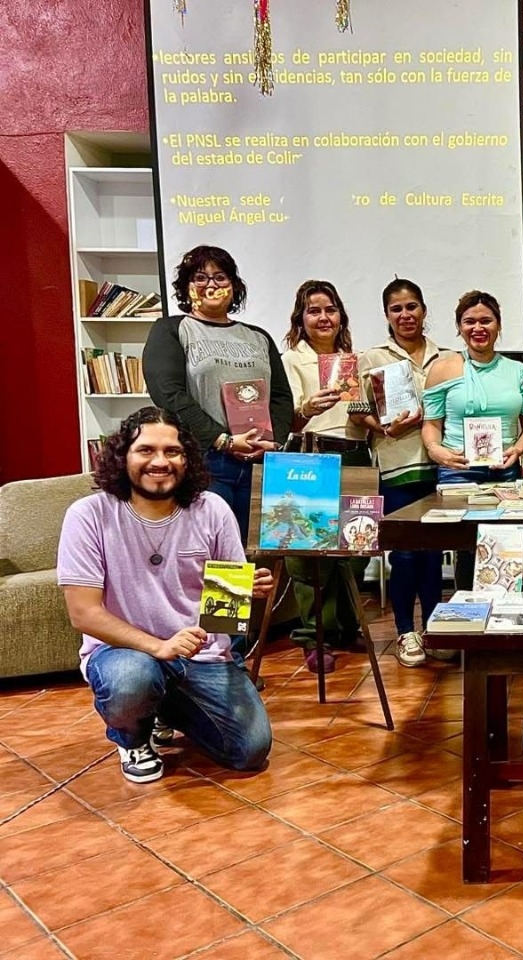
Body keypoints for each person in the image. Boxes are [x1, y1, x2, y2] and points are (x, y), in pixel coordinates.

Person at [57, 407, 274, 784]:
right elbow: (84, 614)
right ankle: (133, 736)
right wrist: (158, 647)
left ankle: (161, 707)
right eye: (146, 450)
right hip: (125, 654)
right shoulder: (88, 515)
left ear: (187, 458)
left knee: (251, 751)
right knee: (131, 678)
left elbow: (225, 615)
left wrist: (246, 594)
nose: (160, 462)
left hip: (201, 654)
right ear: (123, 455)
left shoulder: (213, 509)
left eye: (172, 451)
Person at [142, 245, 293, 542]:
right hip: (207, 462)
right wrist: (222, 439)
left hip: (260, 463)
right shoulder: (172, 329)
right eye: (200, 278)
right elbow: (168, 393)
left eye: (220, 277)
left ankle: (253, 593)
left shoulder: (258, 336)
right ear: (187, 287)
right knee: (215, 557)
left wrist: (271, 442)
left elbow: (281, 397)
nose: (211, 285)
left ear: (234, 286)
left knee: (258, 555)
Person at [348, 278, 446, 668]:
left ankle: (435, 628)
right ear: (387, 315)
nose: (406, 315)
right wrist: (381, 427)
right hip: (396, 465)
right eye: (396, 309)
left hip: (440, 467)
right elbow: (356, 409)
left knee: (434, 554)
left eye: (412, 307)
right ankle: (406, 632)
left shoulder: (447, 356)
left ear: (424, 310)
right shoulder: (372, 357)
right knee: (405, 555)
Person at [280, 280, 371, 673]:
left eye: (330, 309)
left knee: (356, 551)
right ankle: (314, 636)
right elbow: (287, 418)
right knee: (309, 558)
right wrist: (307, 407)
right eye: (314, 310)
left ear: (341, 315)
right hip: (310, 456)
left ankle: (347, 629)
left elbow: (364, 412)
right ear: (301, 317)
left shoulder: (354, 361)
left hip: (355, 457)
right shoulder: (289, 359)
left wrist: (379, 416)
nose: (323, 317)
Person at [424, 290, 523, 588]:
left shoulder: (519, 372)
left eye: (486, 320)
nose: (478, 328)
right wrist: (437, 451)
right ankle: (467, 613)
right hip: (458, 471)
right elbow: (431, 425)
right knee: (466, 548)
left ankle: (504, 619)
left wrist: (518, 449)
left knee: (505, 544)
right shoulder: (442, 369)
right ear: (459, 327)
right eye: (469, 321)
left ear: (498, 325)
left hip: (505, 469)